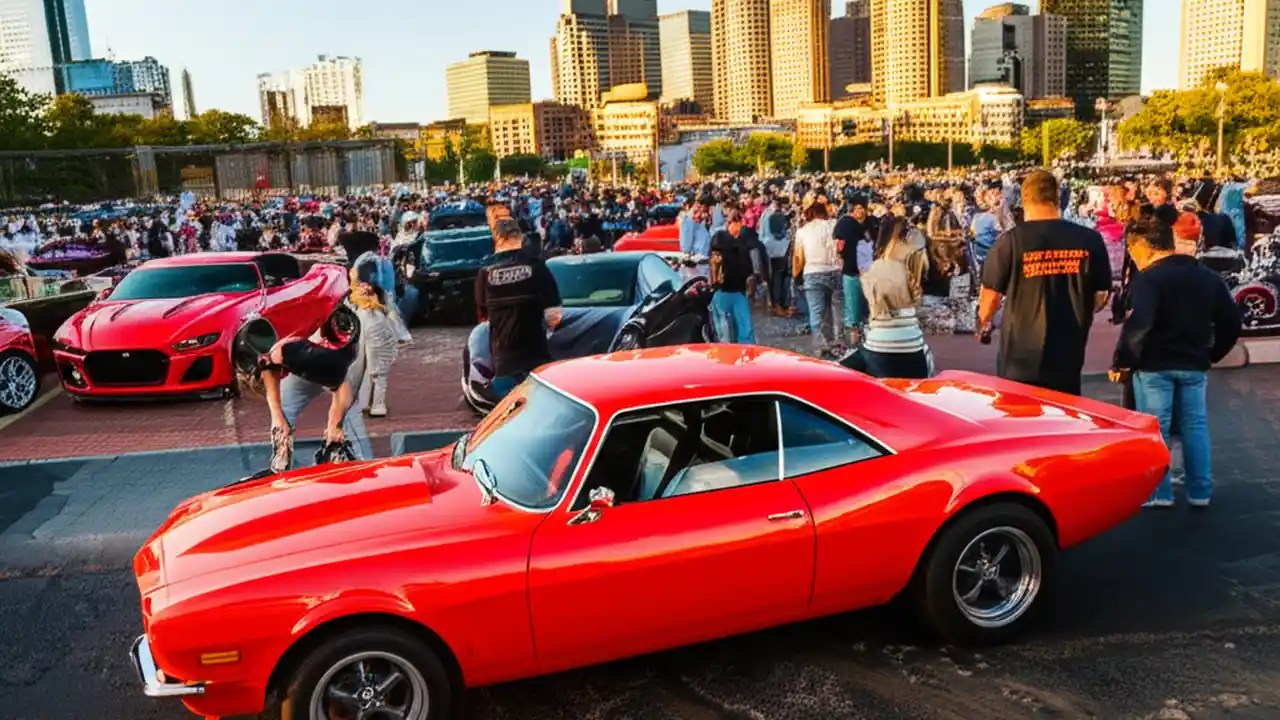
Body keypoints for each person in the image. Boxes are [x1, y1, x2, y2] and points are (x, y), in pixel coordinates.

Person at [1110, 218, 1242, 509]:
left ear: (1141, 248)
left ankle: (1159, 492)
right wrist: (1211, 354)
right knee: (1195, 425)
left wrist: (1123, 361)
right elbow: (1232, 322)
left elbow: (1139, 325)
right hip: (1194, 363)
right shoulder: (1207, 277)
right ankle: (1200, 490)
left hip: (1154, 366)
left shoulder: (1148, 280)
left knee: (1156, 429)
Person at [979, 170, 1112, 395]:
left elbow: (990, 296)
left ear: (1024, 198)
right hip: (1069, 347)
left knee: (1020, 418)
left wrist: (984, 321)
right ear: (1057, 197)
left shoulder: (1010, 242)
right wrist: (1078, 308)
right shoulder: (1089, 239)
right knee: (1063, 416)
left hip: (1020, 354)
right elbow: (1101, 295)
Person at [474, 219, 563, 400]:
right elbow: (554, 313)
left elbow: (483, 315)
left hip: (505, 359)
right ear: (520, 237)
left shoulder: (486, 271)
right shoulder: (536, 266)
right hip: (536, 354)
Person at [841, 217, 932, 378]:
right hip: (915, 347)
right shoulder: (916, 263)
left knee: (837, 373)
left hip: (881, 347)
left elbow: (864, 308)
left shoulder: (879, 268)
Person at [793, 194, 845, 356]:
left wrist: (795, 275)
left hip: (813, 273)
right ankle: (838, 343)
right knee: (835, 311)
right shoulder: (834, 225)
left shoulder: (802, 232)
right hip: (835, 270)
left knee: (816, 314)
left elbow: (798, 258)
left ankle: (820, 348)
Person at [708, 209, 758, 344]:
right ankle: (747, 355)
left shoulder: (716, 245)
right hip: (737, 293)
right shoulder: (740, 246)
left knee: (723, 332)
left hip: (720, 293)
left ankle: (726, 355)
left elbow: (712, 272)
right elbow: (749, 271)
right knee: (744, 330)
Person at [833, 196, 871, 345]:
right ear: (854, 209)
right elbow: (839, 246)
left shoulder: (867, 223)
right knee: (853, 313)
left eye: (864, 209)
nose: (863, 212)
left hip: (863, 273)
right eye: (860, 208)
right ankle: (854, 345)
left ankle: (860, 344)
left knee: (860, 312)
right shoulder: (846, 224)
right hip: (852, 273)